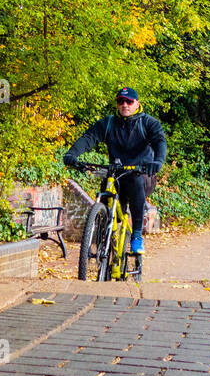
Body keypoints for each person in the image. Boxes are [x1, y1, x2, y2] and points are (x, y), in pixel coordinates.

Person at [63, 87, 166, 257]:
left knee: (135, 182)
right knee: (106, 192)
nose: (125, 105)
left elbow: (159, 141)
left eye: (129, 102)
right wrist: (72, 154)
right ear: (117, 104)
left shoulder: (148, 123)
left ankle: (137, 235)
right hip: (117, 173)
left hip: (143, 173)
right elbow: (89, 138)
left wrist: (158, 161)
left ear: (137, 103)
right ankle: (104, 234)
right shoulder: (109, 123)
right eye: (121, 101)